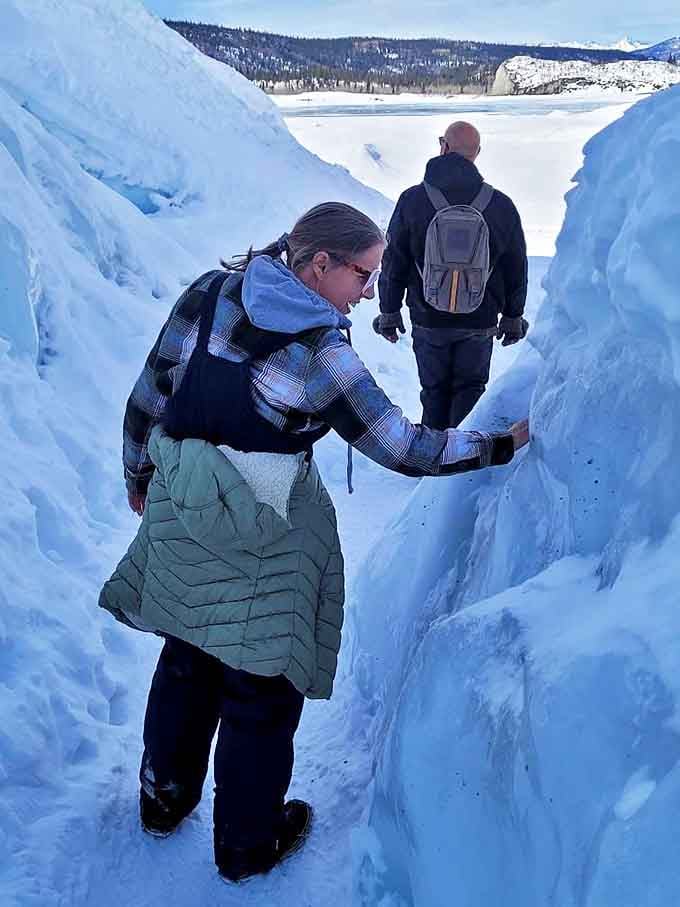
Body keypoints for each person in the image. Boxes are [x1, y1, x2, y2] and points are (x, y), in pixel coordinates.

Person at [99, 202, 529, 884]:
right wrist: (499, 444)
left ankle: (162, 798)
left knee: (188, 652)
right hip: (264, 530)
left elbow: (150, 391)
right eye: (363, 273)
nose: (369, 290)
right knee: (262, 682)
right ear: (320, 263)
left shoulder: (211, 293)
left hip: (185, 506)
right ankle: (246, 845)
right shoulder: (321, 353)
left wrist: (138, 473)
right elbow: (402, 445)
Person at [374, 121, 529, 429]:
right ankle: (462, 453)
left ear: (443, 147)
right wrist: (513, 316)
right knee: (470, 391)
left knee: (433, 393)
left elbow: (394, 261)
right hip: (480, 319)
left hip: (428, 318)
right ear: (477, 153)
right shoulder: (500, 205)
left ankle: (432, 453)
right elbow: (516, 266)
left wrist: (389, 311)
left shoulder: (413, 200)